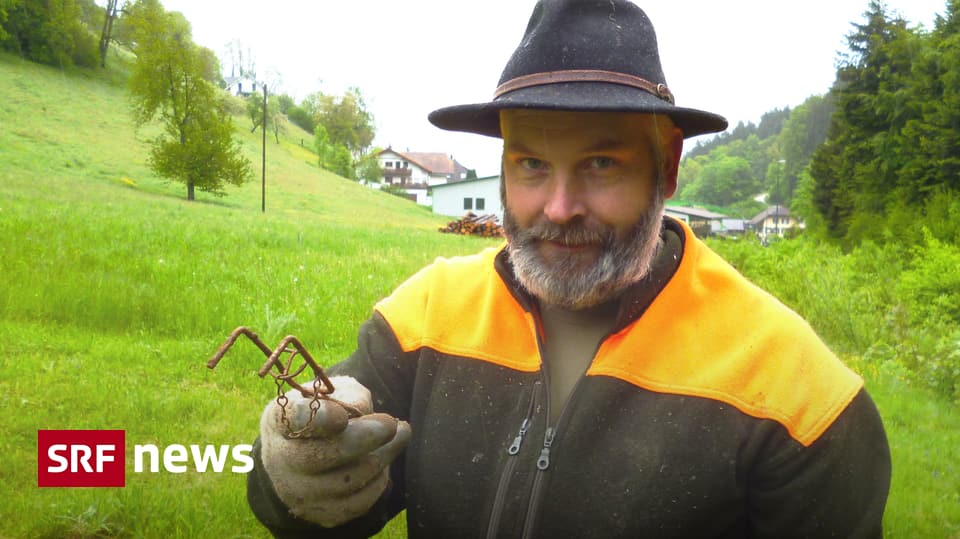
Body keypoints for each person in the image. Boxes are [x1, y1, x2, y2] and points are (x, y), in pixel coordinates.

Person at [246, 1, 892, 537]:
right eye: (530, 163)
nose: (557, 207)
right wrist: (287, 476)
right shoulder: (426, 316)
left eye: (601, 163)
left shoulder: (799, 399)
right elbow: (320, 504)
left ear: (666, 166)